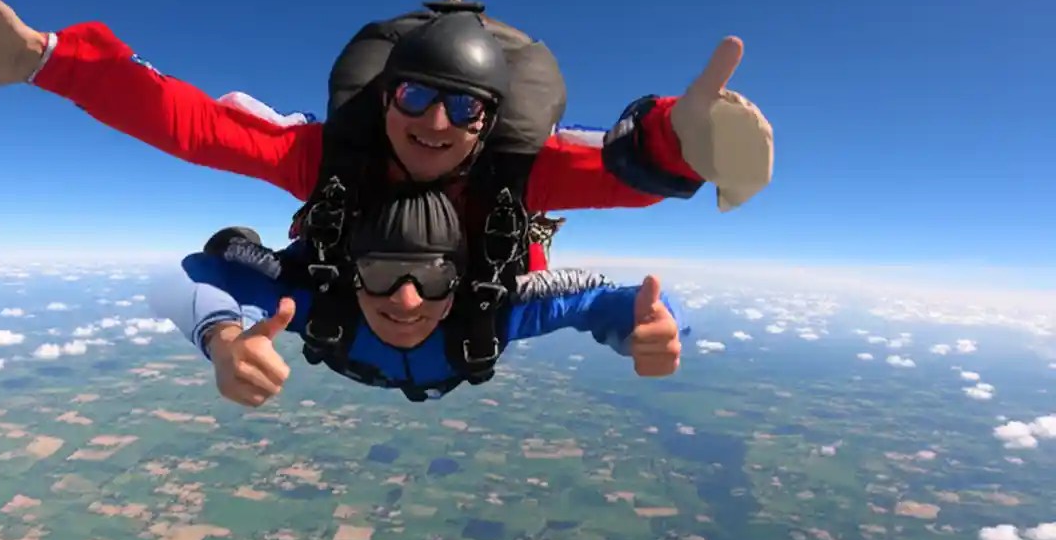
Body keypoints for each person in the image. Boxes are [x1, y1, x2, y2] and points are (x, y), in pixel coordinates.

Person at [0, 0, 775, 270]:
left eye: (464, 107)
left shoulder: (516, 170)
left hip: (469, 296)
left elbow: (619, 173)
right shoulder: (328, 157)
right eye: (414, 96)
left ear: (489, 121)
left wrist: (686, 143)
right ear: (384, 97)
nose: (435, 122)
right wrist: (46, 58)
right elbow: (189, 125)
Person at [148, 189, 688, 406]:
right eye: (382, 272)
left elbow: (605, 300)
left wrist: (659, 325)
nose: (406, 301)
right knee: (234, 245)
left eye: (432, 277)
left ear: (462, 280)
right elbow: (188, 275)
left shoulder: (491, 307)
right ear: (352, 273)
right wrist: (222, 338)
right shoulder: (317, 297)